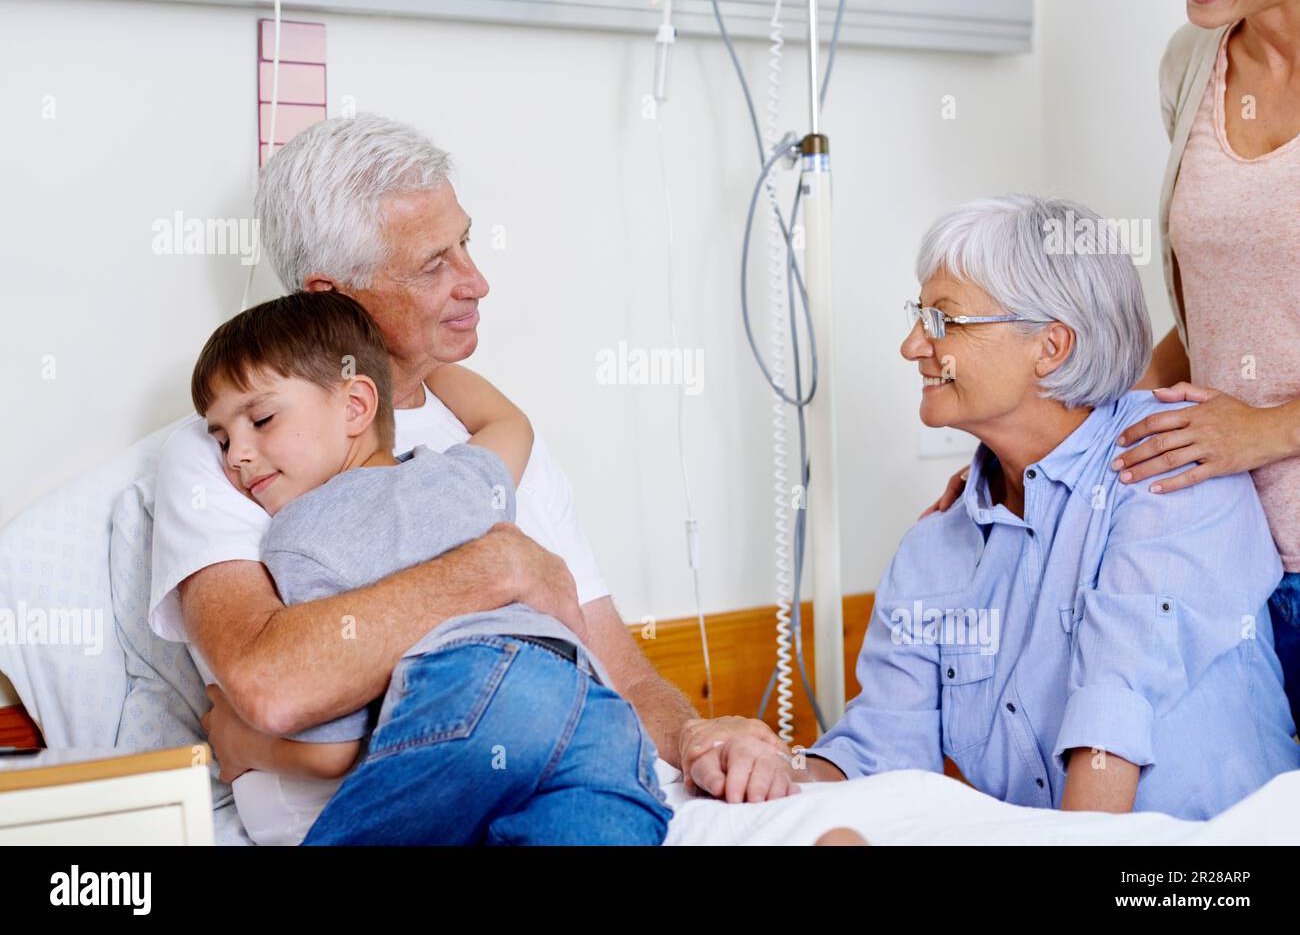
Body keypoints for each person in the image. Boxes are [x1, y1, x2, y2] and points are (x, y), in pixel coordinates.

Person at [148, 115, 788, 839]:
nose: (476, 283)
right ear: (334, 295)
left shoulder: (482, 448)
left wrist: (696, 735)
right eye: (433, 264)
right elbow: (273, 683)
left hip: (558, 752)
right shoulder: (231, 455)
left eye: (467, 244)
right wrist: (496, 567)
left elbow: (624, 678)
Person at [703, 195, 1300, 819]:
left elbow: (1114, 714)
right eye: (918, 316)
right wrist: (776, 766)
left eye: (944, 321)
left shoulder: (1169, 460)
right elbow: (879, 750)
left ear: (1051, 346)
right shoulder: (936, 546)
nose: (912, 345)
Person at [924, 0, 1300, 728]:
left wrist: (1272, 429)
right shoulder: (1194, 64)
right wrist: (1043, 449)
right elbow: (1216, 317)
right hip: (1230, 549)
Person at [192, 290, 671, 844]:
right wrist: (423, 365)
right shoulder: (460, 476)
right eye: (222, 438)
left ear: (355, 406)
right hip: (603, 720)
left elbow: (332, 752)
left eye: (262, 418)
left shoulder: (300, 536)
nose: (236, 456)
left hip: (474, 693)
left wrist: (242, 743)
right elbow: (510, 421)